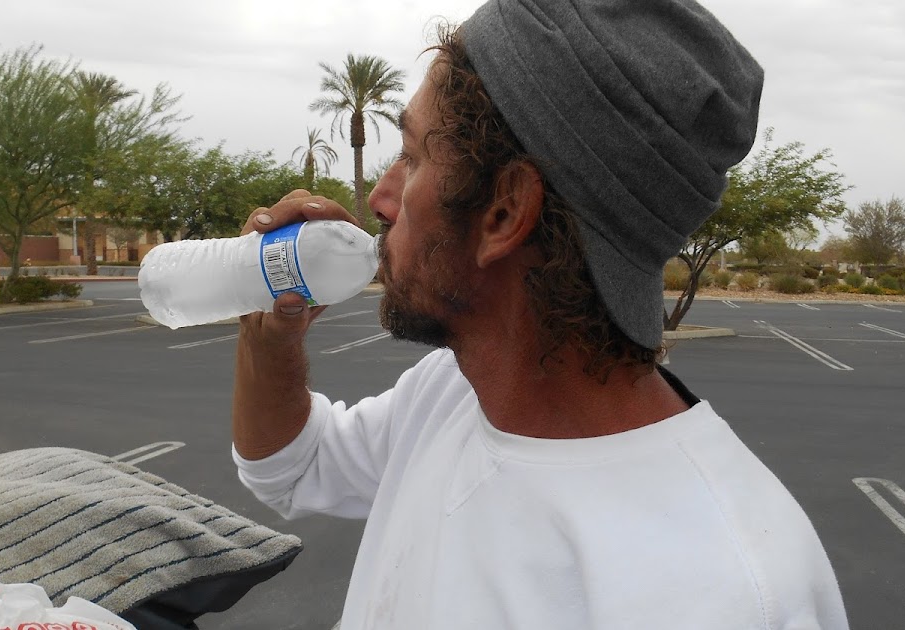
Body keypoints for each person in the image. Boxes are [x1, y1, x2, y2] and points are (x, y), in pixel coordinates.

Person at [233, 0, 849, 627]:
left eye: (414, 157)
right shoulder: (453, 393)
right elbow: (292, 468)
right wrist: (269, 333)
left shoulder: (722, 597)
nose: (379, 197)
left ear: (504, 213)